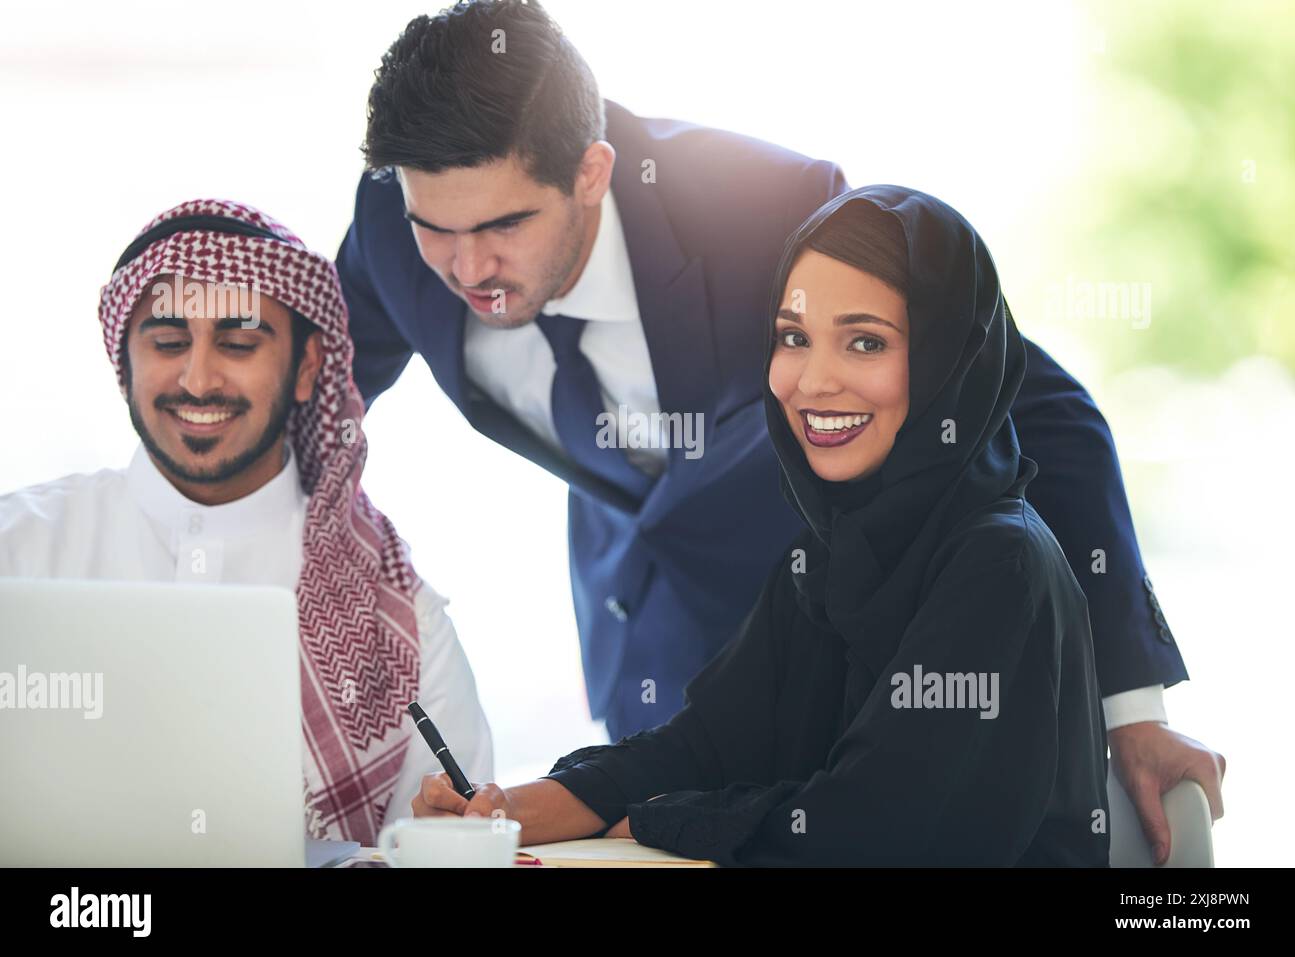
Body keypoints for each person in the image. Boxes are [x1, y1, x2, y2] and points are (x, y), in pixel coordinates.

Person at [340, 0, 1222, 862]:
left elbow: (1039, 408)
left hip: (858, 684)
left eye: (503, 225)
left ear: (591, 173)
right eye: (436, 231)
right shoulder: (392, 227)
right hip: (712, 661)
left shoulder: (770, 215)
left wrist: (1131, 706)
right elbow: (302, 406)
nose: (467, 268)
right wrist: (515, 809)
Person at [410, 186, 1111, 866]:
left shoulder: (999, 562)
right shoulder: (828, 550)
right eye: (794, 337)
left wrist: (661, 821)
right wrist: (504, 809)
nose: (812, 380)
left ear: (949, 360)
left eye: (865, 342)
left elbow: (880, 831)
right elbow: (705, 744)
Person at [0, 199, 493, 845]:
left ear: (308, 366)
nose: (198, 379)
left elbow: (458, 844)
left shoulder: (400, 622)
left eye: (237, 343)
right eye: (169, 341)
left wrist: (443, 840)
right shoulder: (20, 549)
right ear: (125, 364)